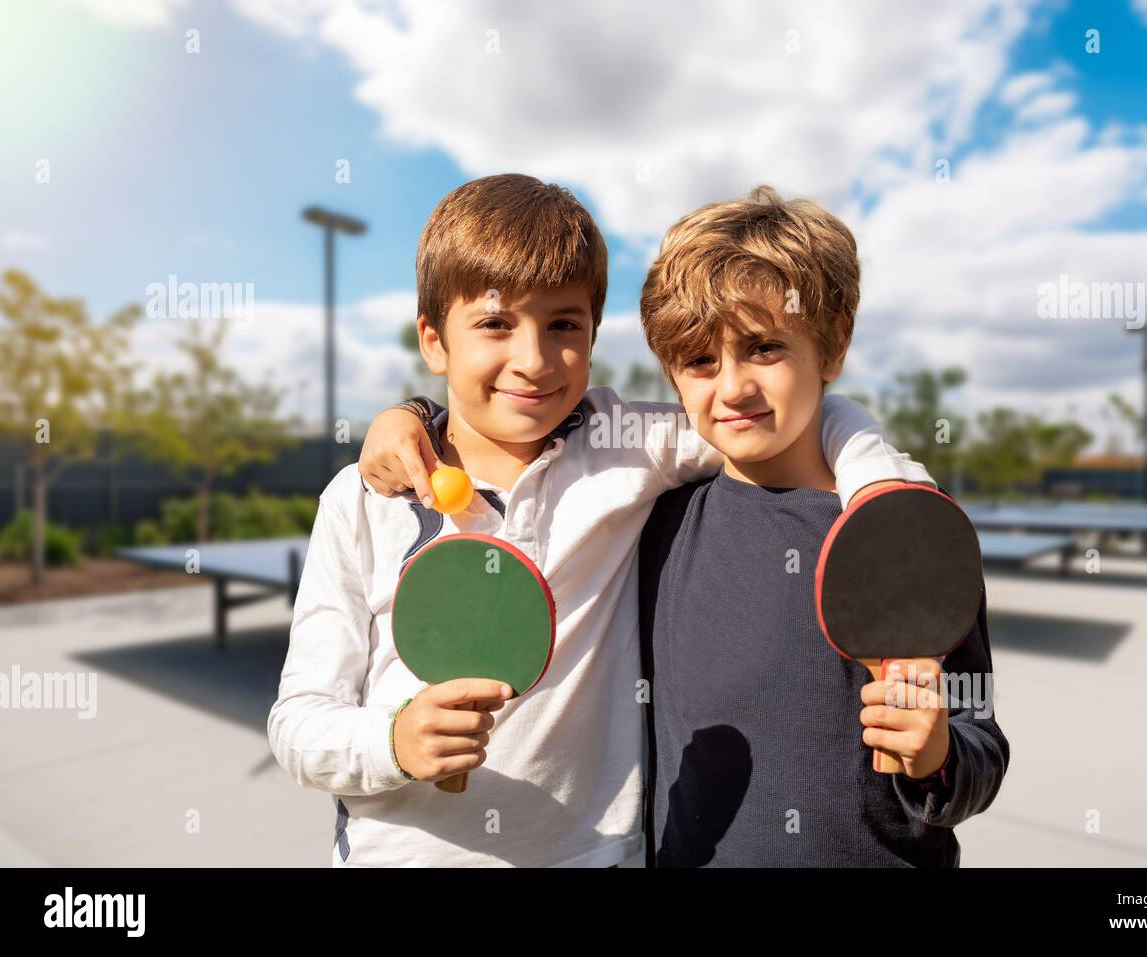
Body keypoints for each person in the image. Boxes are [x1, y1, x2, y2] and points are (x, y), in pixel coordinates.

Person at [275, 173, 936, 867]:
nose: (531, 360)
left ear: (594, 336)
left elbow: (784, 407)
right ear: (435, 342)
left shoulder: (625, 444)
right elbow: (297, 723)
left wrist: (878, 491)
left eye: (563, 325)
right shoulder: (360, 499)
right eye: (495, 324)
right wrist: (394, 742)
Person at [635, 187, 1008, 866]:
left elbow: (981, 743)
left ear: (832, 346)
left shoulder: (905, 533)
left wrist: (936, 754)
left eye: (764, 348)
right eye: (699, 361)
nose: (733, 386)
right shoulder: (654, 532)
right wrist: (421, 415)